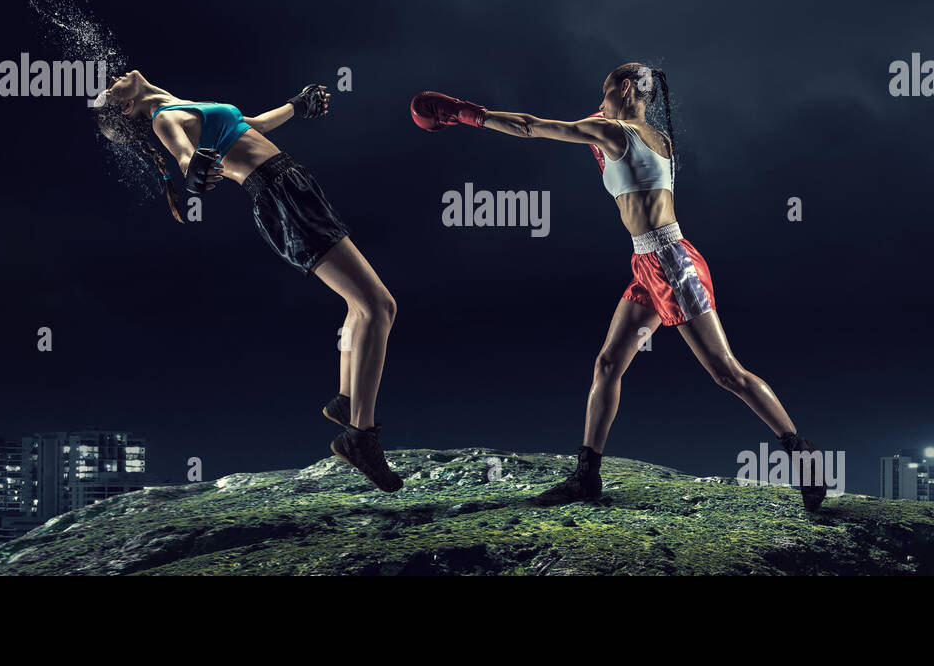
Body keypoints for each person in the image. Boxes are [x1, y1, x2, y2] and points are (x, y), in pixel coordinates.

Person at [410, 63, 826, 510]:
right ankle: (587, 476)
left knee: (727, 371)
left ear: (624, 89)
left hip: (671, 265)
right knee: (608, 364)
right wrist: (603, 130)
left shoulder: (616, 133)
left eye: (605, 94)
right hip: (649, 262)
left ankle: (804, 458)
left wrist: (469, 114)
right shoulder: (656, 139)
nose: (600, 103)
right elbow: (631, 174)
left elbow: (530, 127)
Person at [94, 70, 402, 491]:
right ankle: (359, 438)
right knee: (378, 307)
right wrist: (194, 168)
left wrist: (296, 105)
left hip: (290, 185)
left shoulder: (180, 103)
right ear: (128, 107)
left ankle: (347, 402)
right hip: (280, 194)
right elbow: (186, 157)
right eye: (110, 91)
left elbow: (248, 126)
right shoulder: (164, 119)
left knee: (360, 305)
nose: (112, 79)